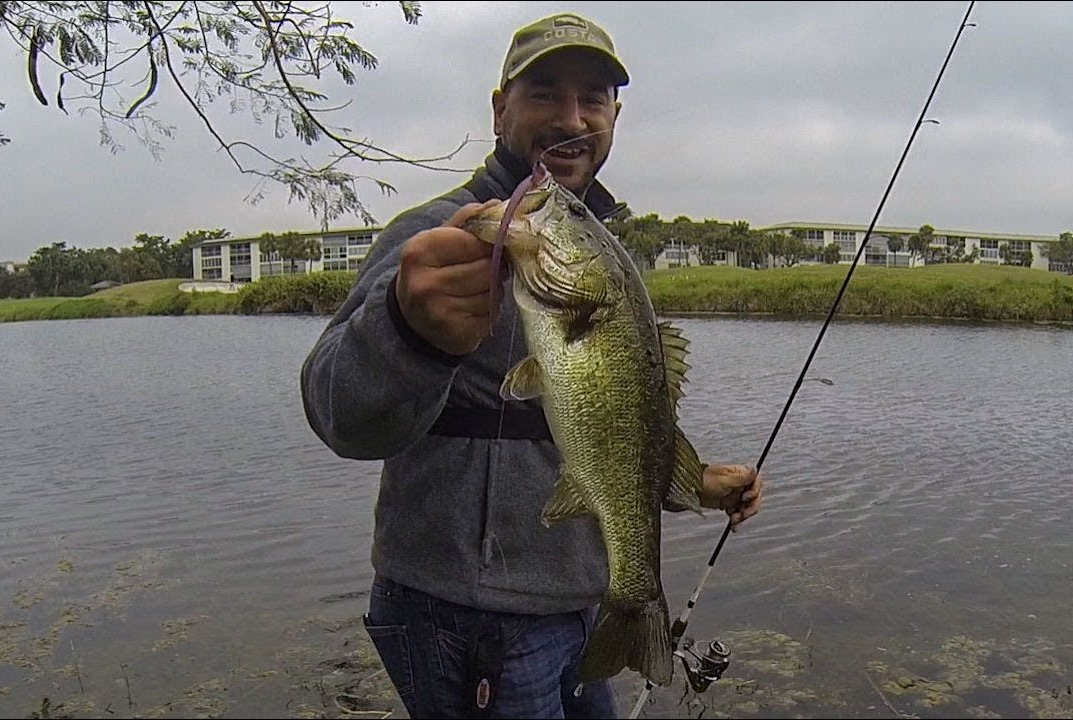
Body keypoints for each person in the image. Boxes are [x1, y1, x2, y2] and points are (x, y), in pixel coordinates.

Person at [299, 10, 764, 719]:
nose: (570, 117)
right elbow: (338, 416)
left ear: (615, 115)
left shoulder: (599, 253)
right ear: (500, 109)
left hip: (583, 603)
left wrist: (691, 480)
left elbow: (595, 425)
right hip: (469, 615)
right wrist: (404, 328)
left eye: (593, 98)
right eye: (544, 92)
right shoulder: (435, 236)